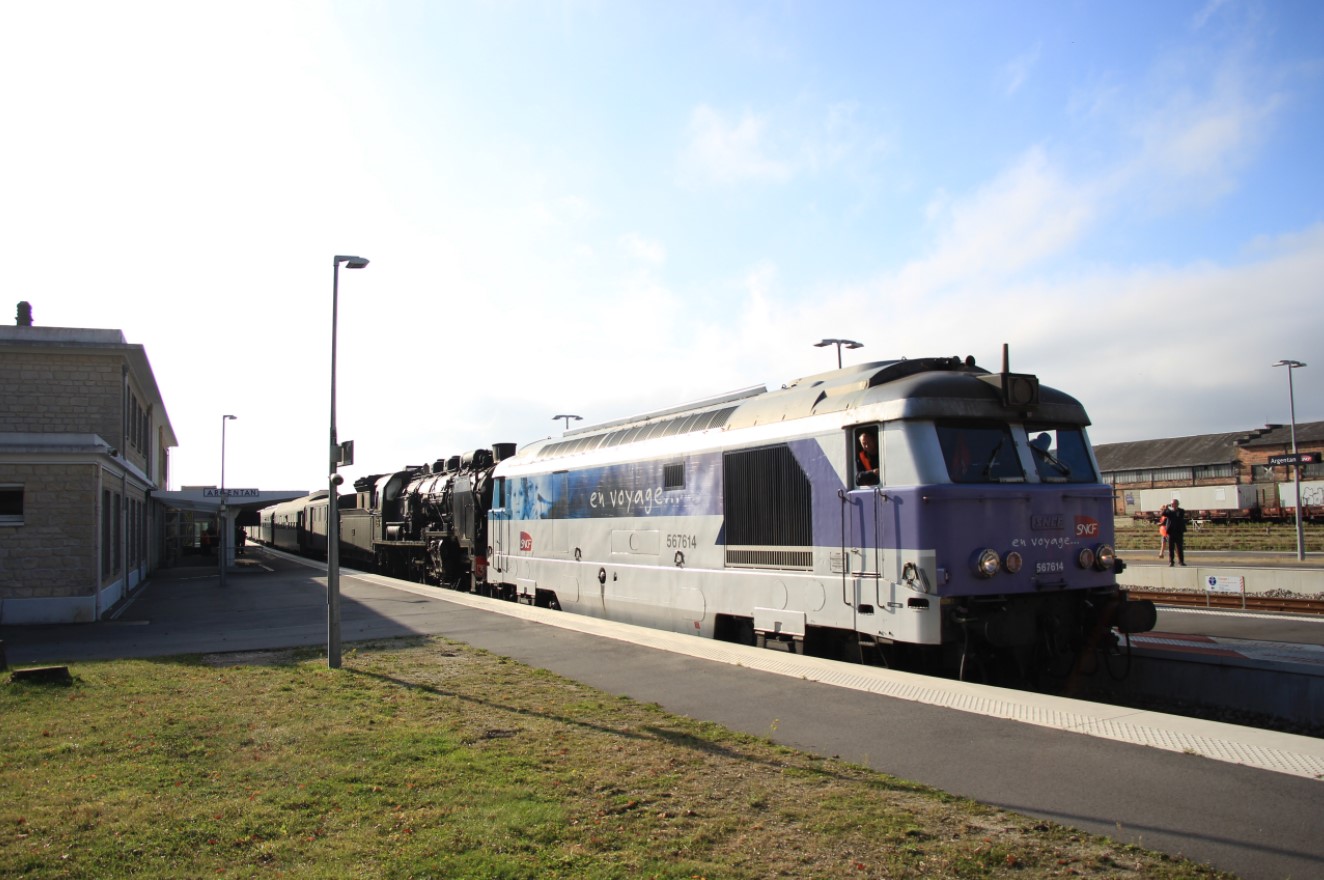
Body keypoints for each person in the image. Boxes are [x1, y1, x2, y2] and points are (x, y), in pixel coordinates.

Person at [1165, 499, 1187, 567]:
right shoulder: (1169, 511)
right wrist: (1166, 508)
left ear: (1177, 504)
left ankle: (1181, 561)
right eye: (1171, 504)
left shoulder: (1181, 511)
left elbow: (1176, 516)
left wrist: (1169, 510)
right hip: (1171, 532)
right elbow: (1163, 514)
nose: (1172, 505)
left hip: (1178, 532)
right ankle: (1171, 561)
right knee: (1171, 548)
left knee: (1179, 547)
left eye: (1173, 504)